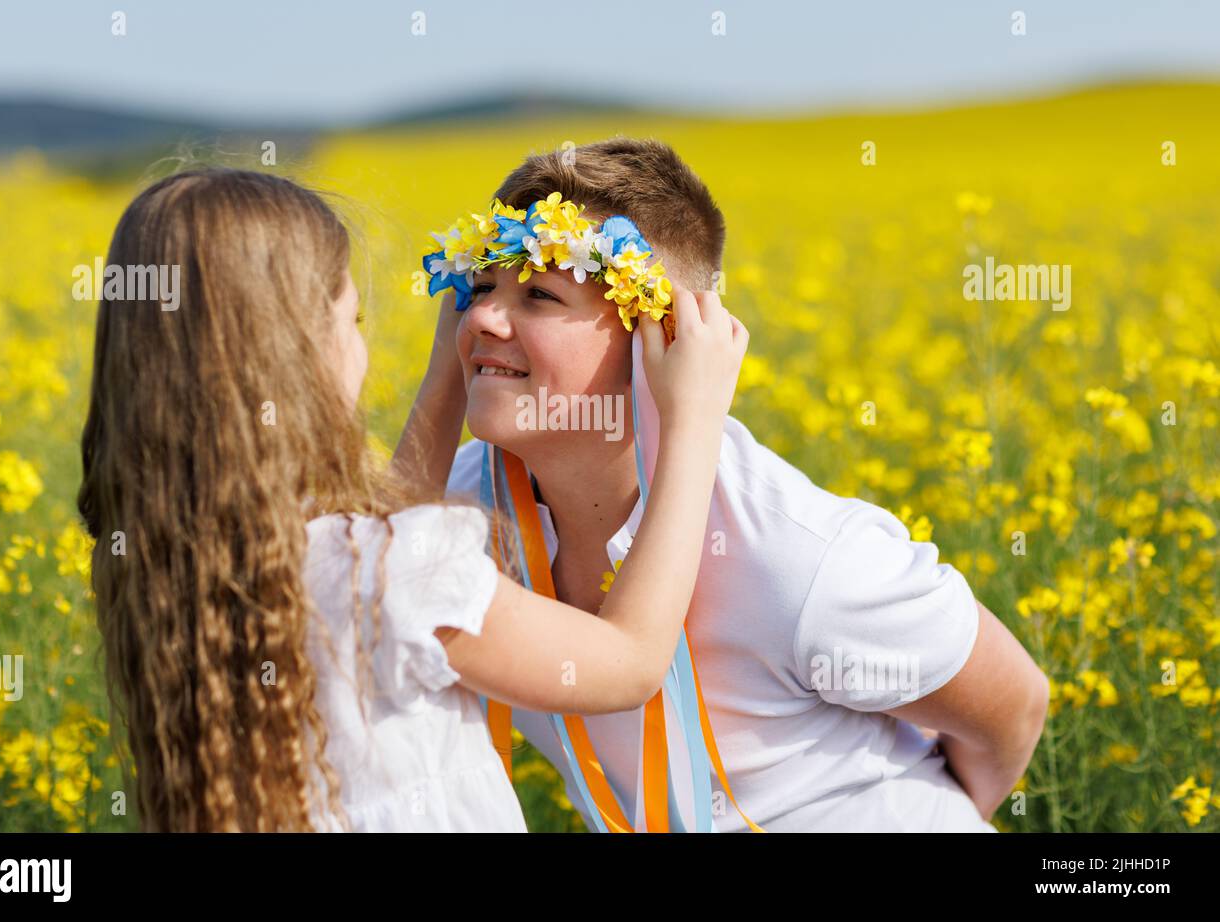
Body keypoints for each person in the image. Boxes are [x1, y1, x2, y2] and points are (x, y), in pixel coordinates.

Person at [76, 166, 747, 831]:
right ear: (297, 352)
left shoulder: (185, 557)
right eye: (352, 319)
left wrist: (452, 374)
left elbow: (383, 542)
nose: (483, 312)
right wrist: (691, 418)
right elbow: (627, 664)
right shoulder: (387, 567)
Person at [416, 139, 1050, 832]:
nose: (479, 318)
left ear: (664, 333)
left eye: (539, 293)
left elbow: (1013, 709)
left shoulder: (799, 554)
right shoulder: (455, 516)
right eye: (478, 288)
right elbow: (373, 588)